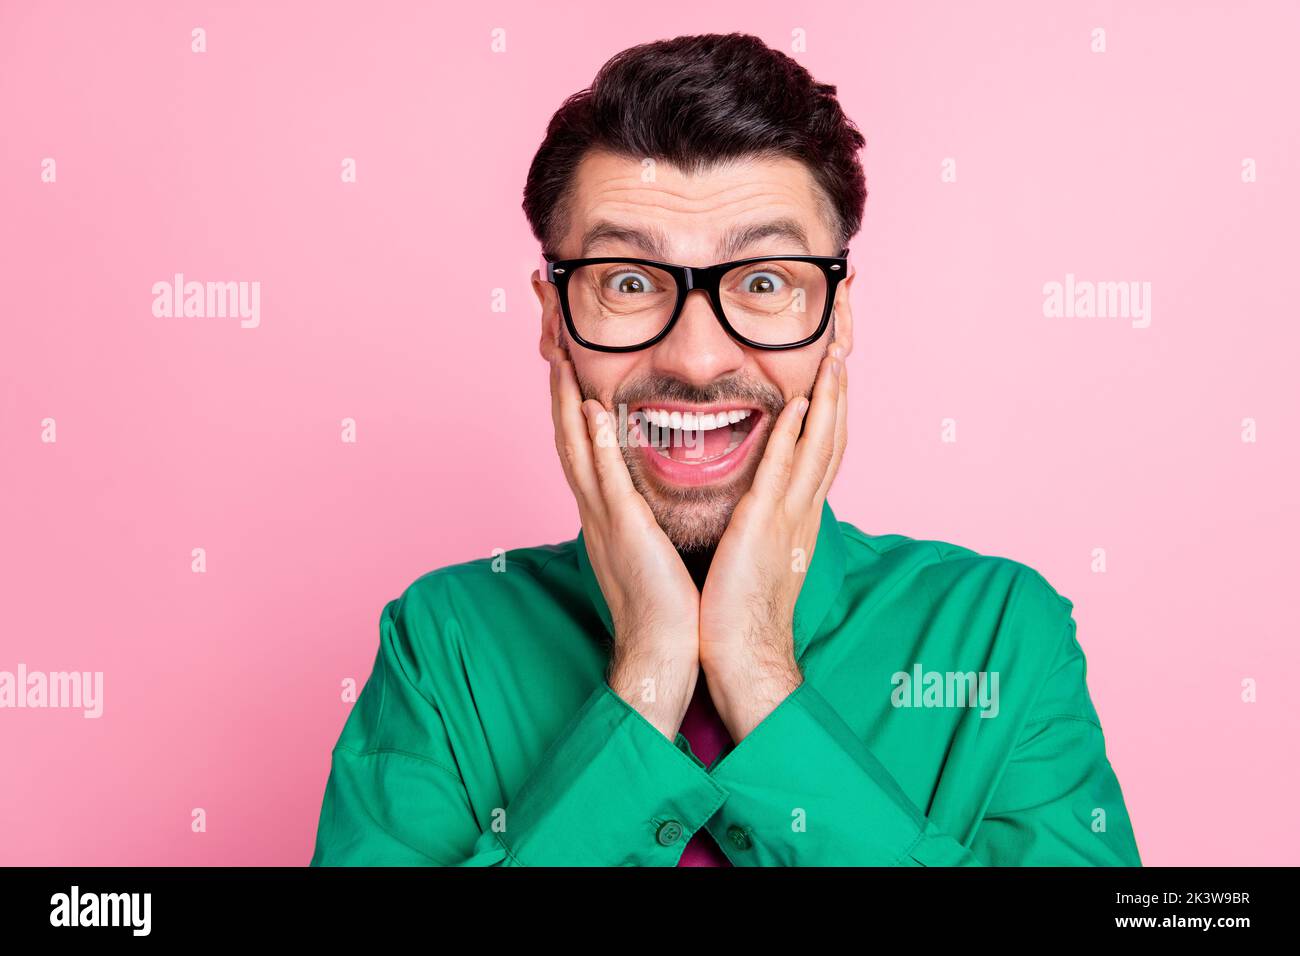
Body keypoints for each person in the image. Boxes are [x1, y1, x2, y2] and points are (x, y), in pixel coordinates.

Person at [309, 32, 1141, 867]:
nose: (697, 358)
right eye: (628, 282)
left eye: (766, 281)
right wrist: (646, 673)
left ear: (839, 317)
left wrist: (758, 671)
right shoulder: (446, 642)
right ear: (554, 319)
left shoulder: (998, 634)